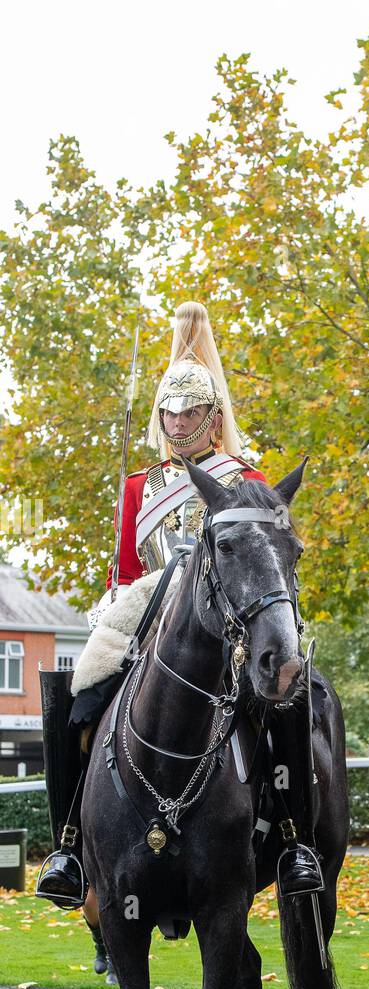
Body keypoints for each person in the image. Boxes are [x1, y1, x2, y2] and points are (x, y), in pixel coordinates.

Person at [35, 302, 320, 940]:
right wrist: (116, 606)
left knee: (292, 695)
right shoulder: (141, 486)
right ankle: (70, 848)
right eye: (171, 412)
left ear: (213, 418)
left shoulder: (244, 479)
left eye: (191, 412)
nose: (179, 422)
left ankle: (296, 838)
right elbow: (124, 568)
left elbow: (266, 564)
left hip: (229, 625)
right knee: (74, 697)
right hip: (148, 616)